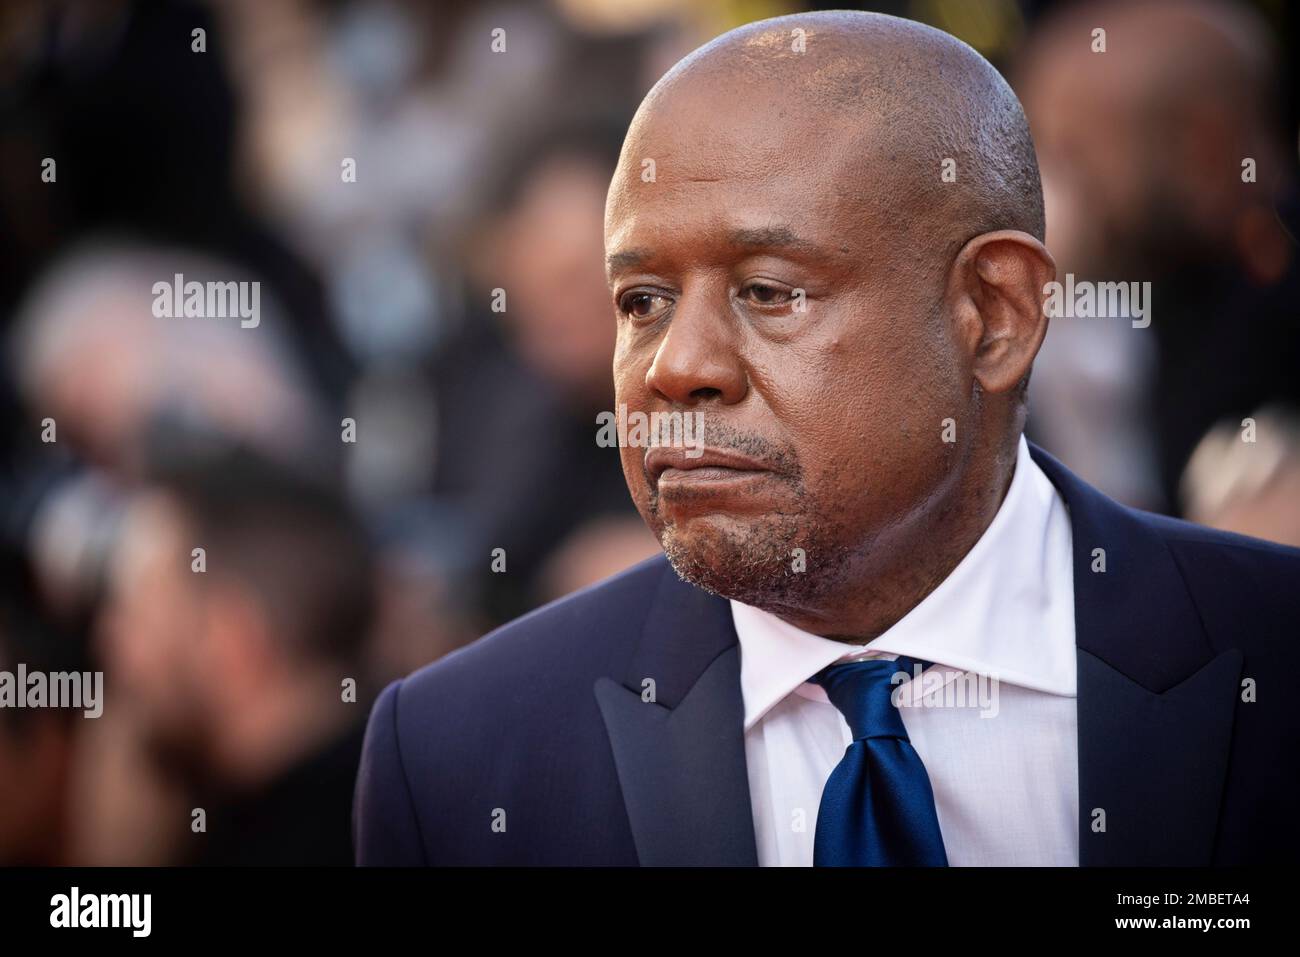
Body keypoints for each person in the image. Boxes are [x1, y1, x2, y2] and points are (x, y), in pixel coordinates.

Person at [354, 11, 1300, 866]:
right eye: (642, 301)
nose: (675, 368)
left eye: (770, 291)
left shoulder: (1269, 650)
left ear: (995, 313)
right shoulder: (457, 754)